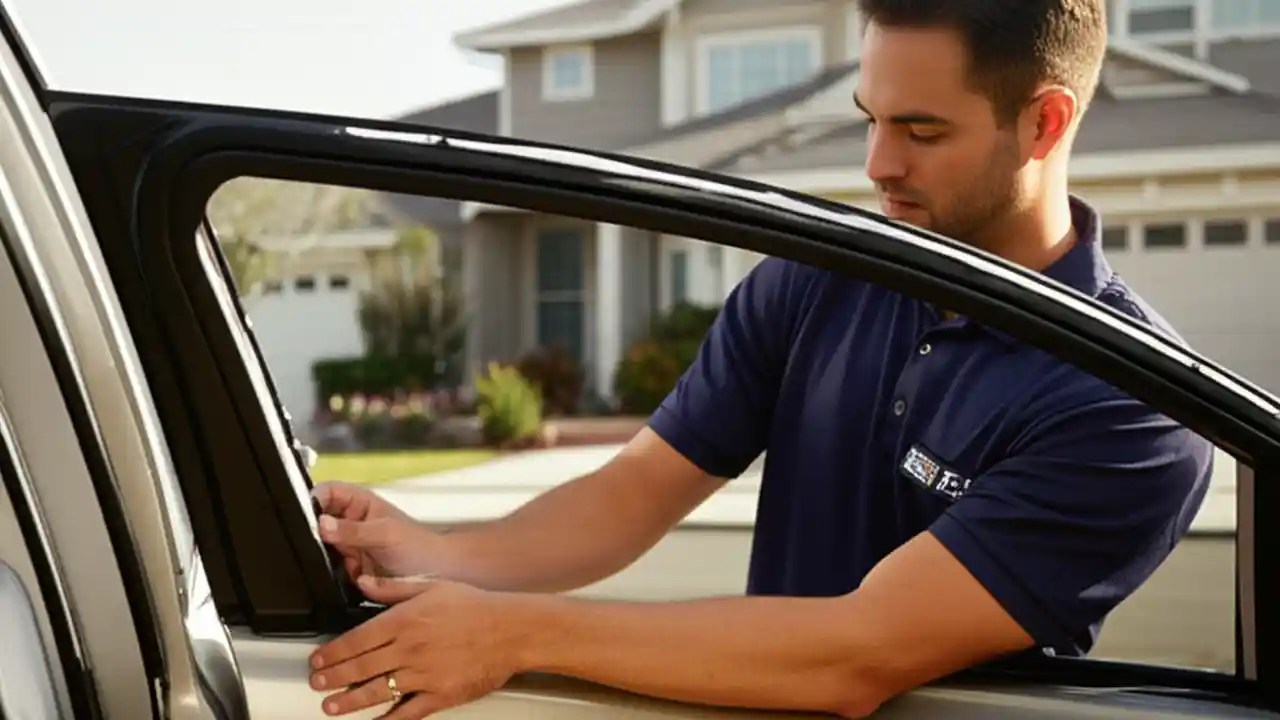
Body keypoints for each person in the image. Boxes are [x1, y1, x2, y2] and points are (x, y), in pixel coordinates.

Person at [306, 1, 1214, 718]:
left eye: (922, 132)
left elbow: (854, 655)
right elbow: (631, 494)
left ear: (1045, 122)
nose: (877, 165)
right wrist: (441, 556)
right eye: (871, 119)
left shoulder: (1131, 406)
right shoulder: (821, 280)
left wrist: (512, 633)